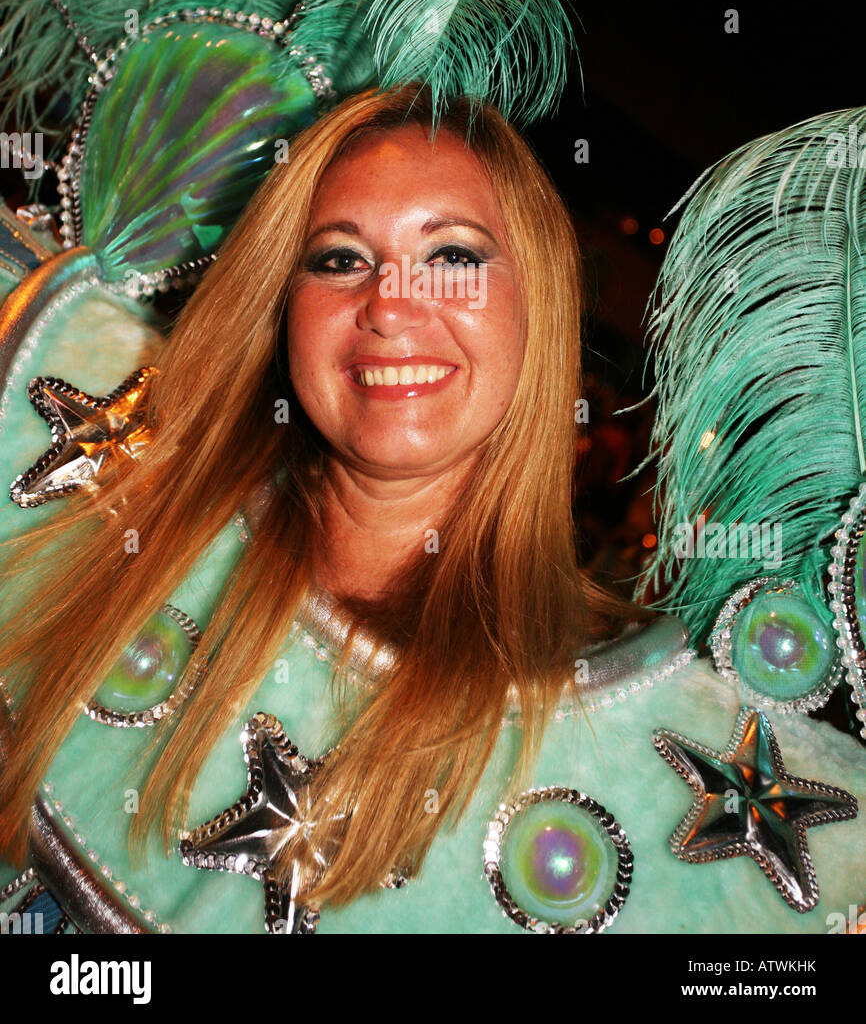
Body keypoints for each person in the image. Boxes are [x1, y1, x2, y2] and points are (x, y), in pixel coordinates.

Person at [1, 84, 865, 935]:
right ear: (281, 303)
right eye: (339, 257)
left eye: (453, 257)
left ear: (538, 306)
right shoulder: (82, 518)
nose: (388, 304)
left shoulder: (631, 749)